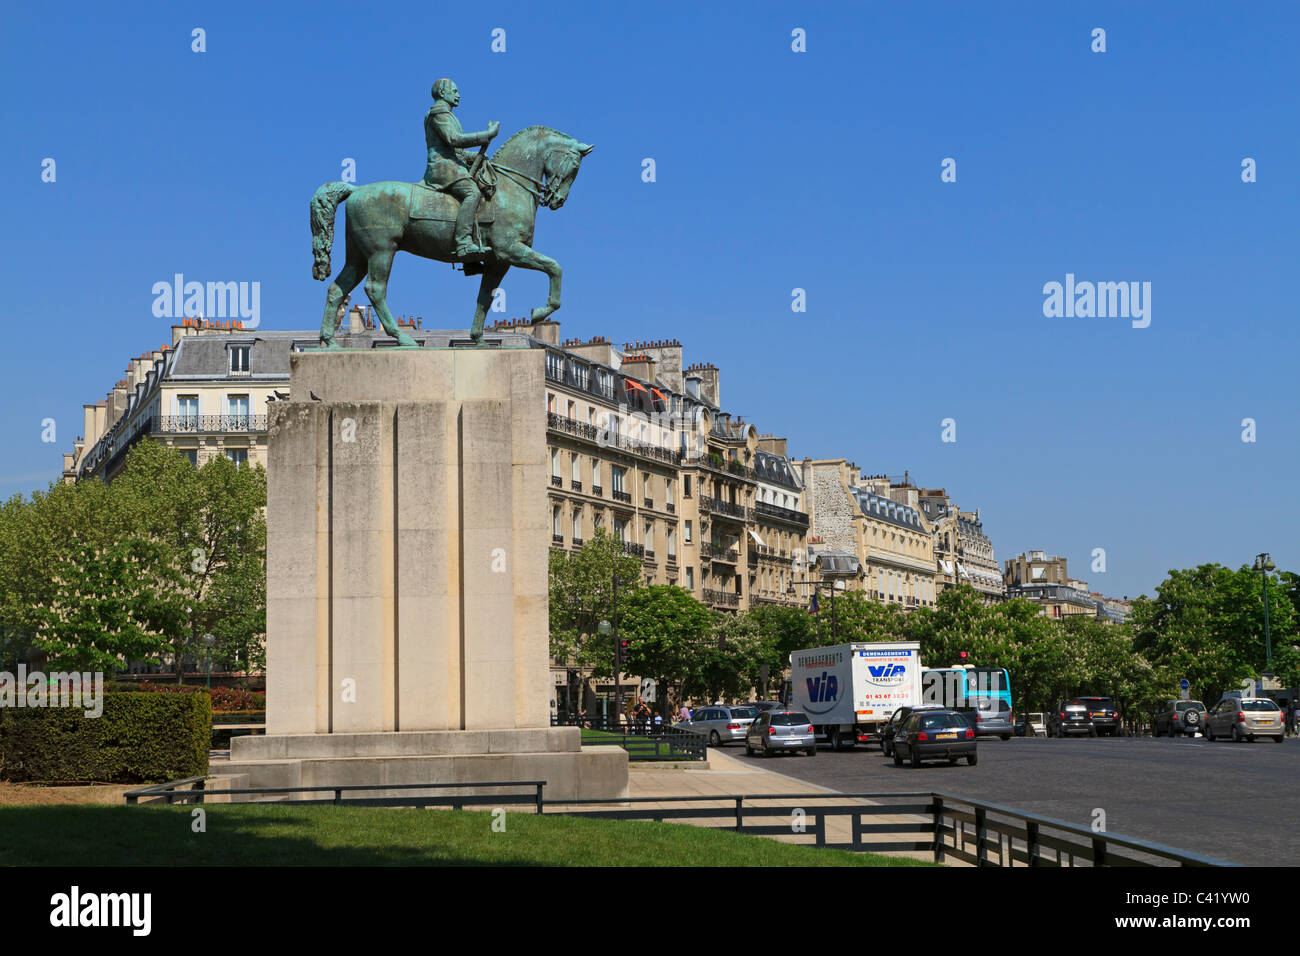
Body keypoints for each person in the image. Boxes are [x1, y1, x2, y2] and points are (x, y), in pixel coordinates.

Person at [422, 78, 500, 258]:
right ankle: (463, 242)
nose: (458, 95)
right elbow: (454, 139)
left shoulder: (448, 115)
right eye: (455, 91)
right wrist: (486, 135)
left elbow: (458, 152)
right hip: (444, 168)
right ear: (442, 93)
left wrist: (480, 157)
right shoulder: (438, 113)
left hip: (453, 164)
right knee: (473, 193)